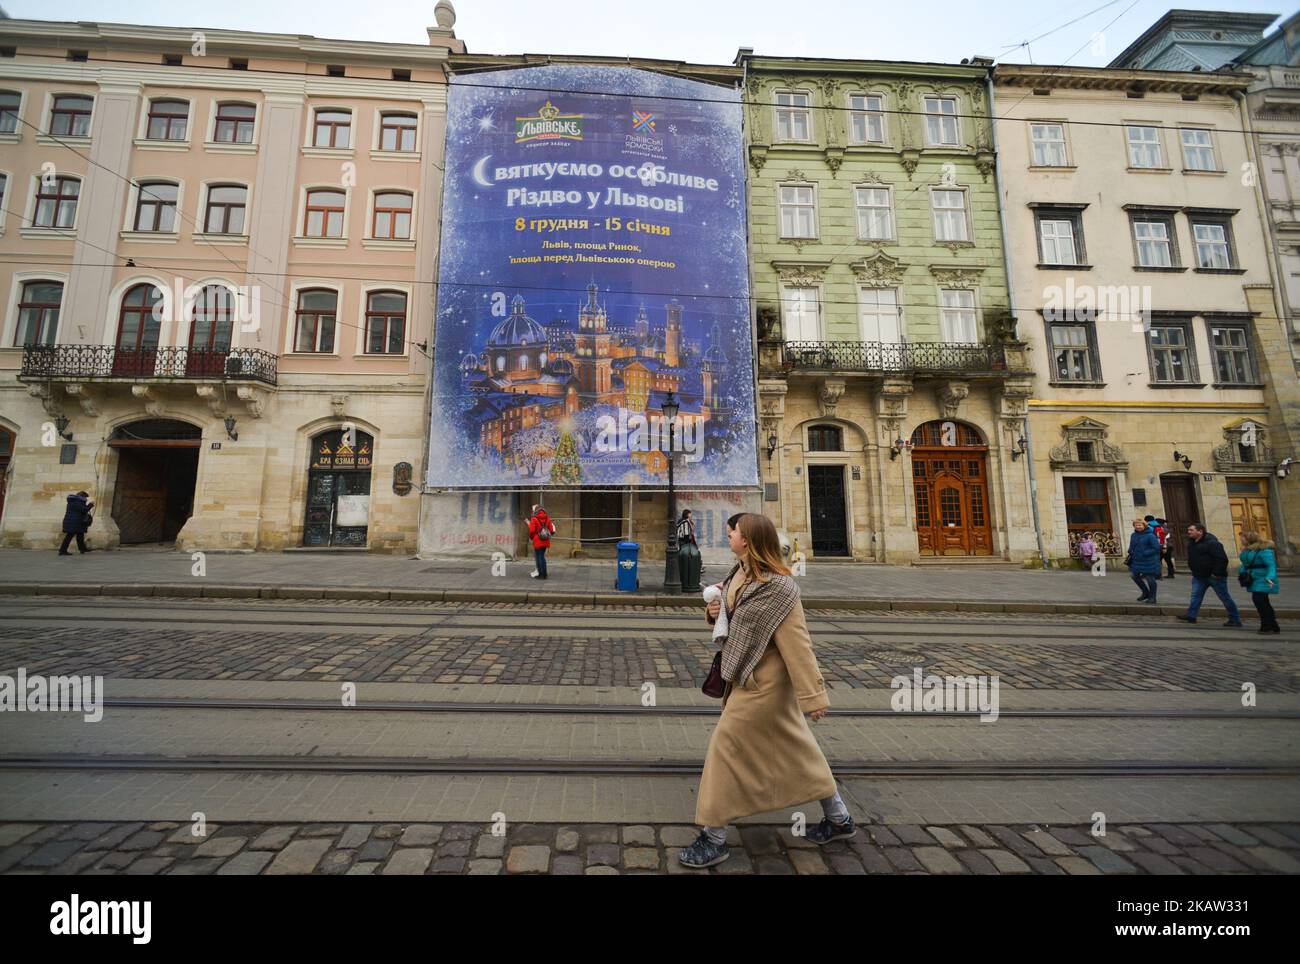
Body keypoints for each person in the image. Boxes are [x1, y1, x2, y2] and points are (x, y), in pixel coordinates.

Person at [678, 512, 853, 869]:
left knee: (725, 747)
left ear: (750, 540)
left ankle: (714, 837)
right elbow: (731, 614)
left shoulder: (781, 589)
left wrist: (814, 697)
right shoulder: (738, 573)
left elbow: (798, 645)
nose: (729, 535)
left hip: (765, 687)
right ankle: (839, 818)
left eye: (735, 532)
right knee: (796, 750)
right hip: (744, 678)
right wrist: (714, 612)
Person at [1178, 523, 1242, 627]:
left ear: (1200, 531)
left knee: (1224, 597)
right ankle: (1191, 615)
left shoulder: (1212, 543)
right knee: (1195, 596)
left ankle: (1235, 618)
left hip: (1214, 577)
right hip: (1199, 575)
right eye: (1188, 530)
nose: (1189, 532)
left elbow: (1221, 559)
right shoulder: (1192, 543)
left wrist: (1216, 573)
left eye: (1191, 530)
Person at [1238, 531, 1281, 634]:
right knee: (1264, 602)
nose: (1241, 540)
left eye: (1243, 538)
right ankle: (1273, 625)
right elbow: (1245, 564)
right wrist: (1242, 573)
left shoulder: (1263, 550)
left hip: (1263, 578)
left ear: (1249, 539)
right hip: (1253, 578)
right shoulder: (1247, 550)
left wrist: (1270, 577)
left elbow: (1271, 565)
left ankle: (1267, 625)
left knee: (1260, 601)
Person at [1125, 518, 1161, 604]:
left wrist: (1145, 553)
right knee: (1133, 575)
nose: (1138, 527)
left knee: (1150, 578)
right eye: (1136, 525)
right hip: (1136, 560)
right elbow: (1132, 544)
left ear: (1144, 525)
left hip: (1149, 561)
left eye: (1140, 525)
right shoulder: (1133, 535)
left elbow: (1156, 548)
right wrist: (1130, 550)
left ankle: (1152, 597)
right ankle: (1145, 592)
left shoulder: (1150, 536)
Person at [58, 490, 94, 555]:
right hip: (74, 522)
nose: (86, 499)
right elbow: (84, 510)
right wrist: (90, 505)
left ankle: (82, 549)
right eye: (85, 497)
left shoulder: (74, 501)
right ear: (82, 497)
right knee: (69, 537)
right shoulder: (77, 502)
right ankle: (62, 550)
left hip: (76, 522)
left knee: (80, 536)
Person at [676, 509, 702, 592]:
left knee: (683, 556)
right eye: (690, 514)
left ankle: (686, 566)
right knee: (688, 555)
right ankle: (689, 567)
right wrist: (689, 543)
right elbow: (687, 534)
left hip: (681, 541)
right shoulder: (685, 522)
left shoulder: (682, 521)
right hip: (685, 542)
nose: (691, 515)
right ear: (687, 514)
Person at [526, 503, 555, 580]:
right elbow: (552, 530)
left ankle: (541, 575)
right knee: (542, 557)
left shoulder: (534, 519)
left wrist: (532, 538)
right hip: (545, 540)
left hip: (537, 540)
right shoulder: (547, 518)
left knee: (539, 557)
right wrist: (547, 534)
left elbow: (532, 531)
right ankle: (545, 574)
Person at [1145, 515, 1175, 579]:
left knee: (1157, 561)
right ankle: (1171, 573)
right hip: (1167, 546)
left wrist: (1163, 546)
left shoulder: (1151, 527)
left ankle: (1157, 574)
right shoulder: (1164, 528)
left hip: (1159, 546)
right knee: (1168, 560)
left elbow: (1161, 538)